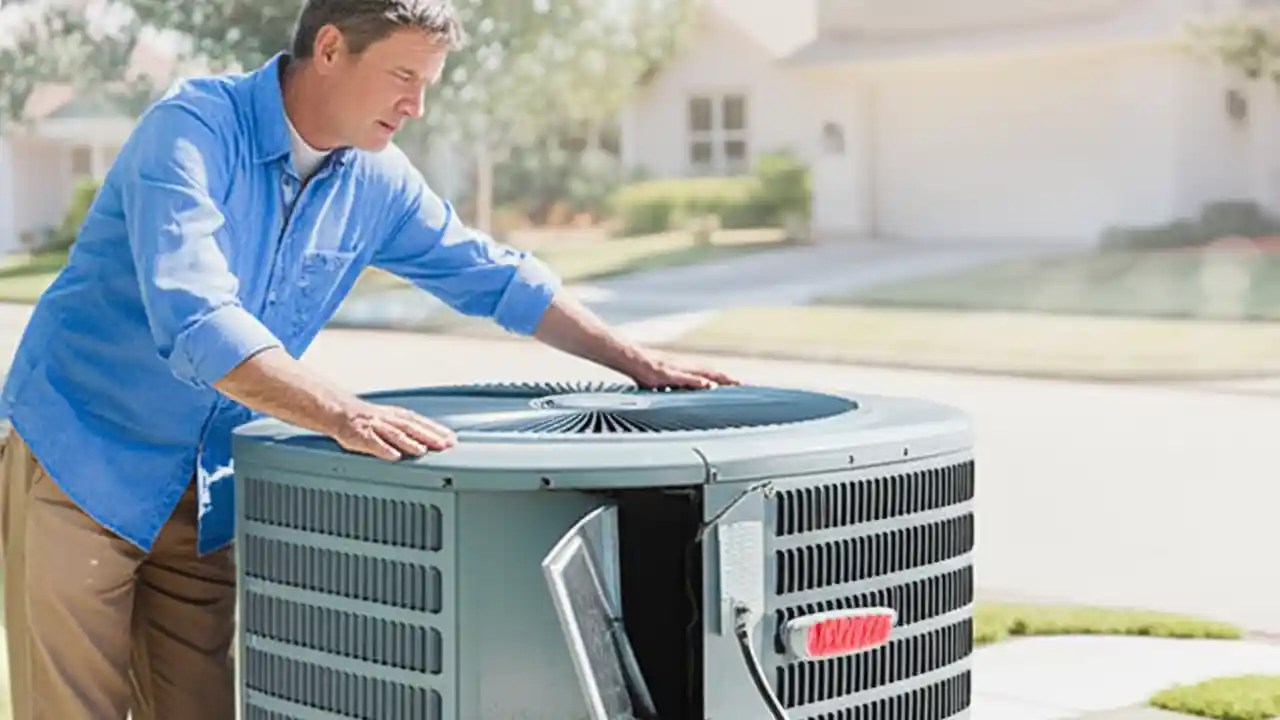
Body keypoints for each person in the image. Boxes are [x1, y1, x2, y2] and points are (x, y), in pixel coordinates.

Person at [0, 0, 737, 717]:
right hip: (81, 462)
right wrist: (343, 413)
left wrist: (634, 360)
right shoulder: (190, 132)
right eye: (403, 78)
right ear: (328, 50)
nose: (416, 105)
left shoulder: (375, 180)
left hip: (201, 490)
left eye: (427, 85)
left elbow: (494, 276)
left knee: (201, 708)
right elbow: (197, 321)